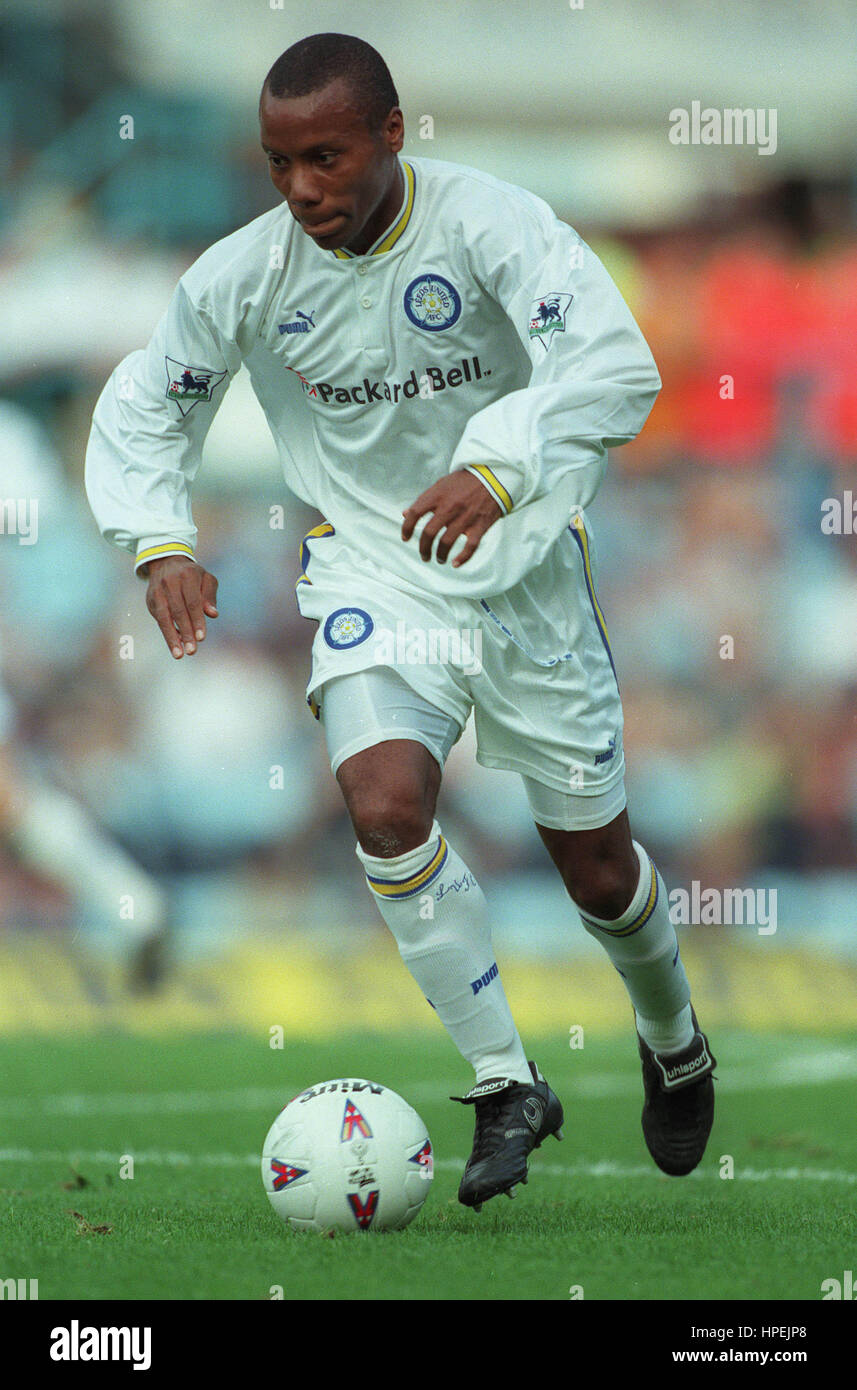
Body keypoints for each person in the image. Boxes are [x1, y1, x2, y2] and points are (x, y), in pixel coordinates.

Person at [85, 32, 716, 1210]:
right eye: (277, 163)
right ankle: (502, 1082)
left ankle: (673, 1038)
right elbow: (146, 405)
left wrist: (501, 465)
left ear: (390, 133)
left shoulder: (490, 226)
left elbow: (613, 359)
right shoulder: (243, 276)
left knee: (593, 868)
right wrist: (159, 541)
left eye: (324, 156)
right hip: (372, 573)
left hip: (523, 575)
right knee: (384, 809)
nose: (301, 189)